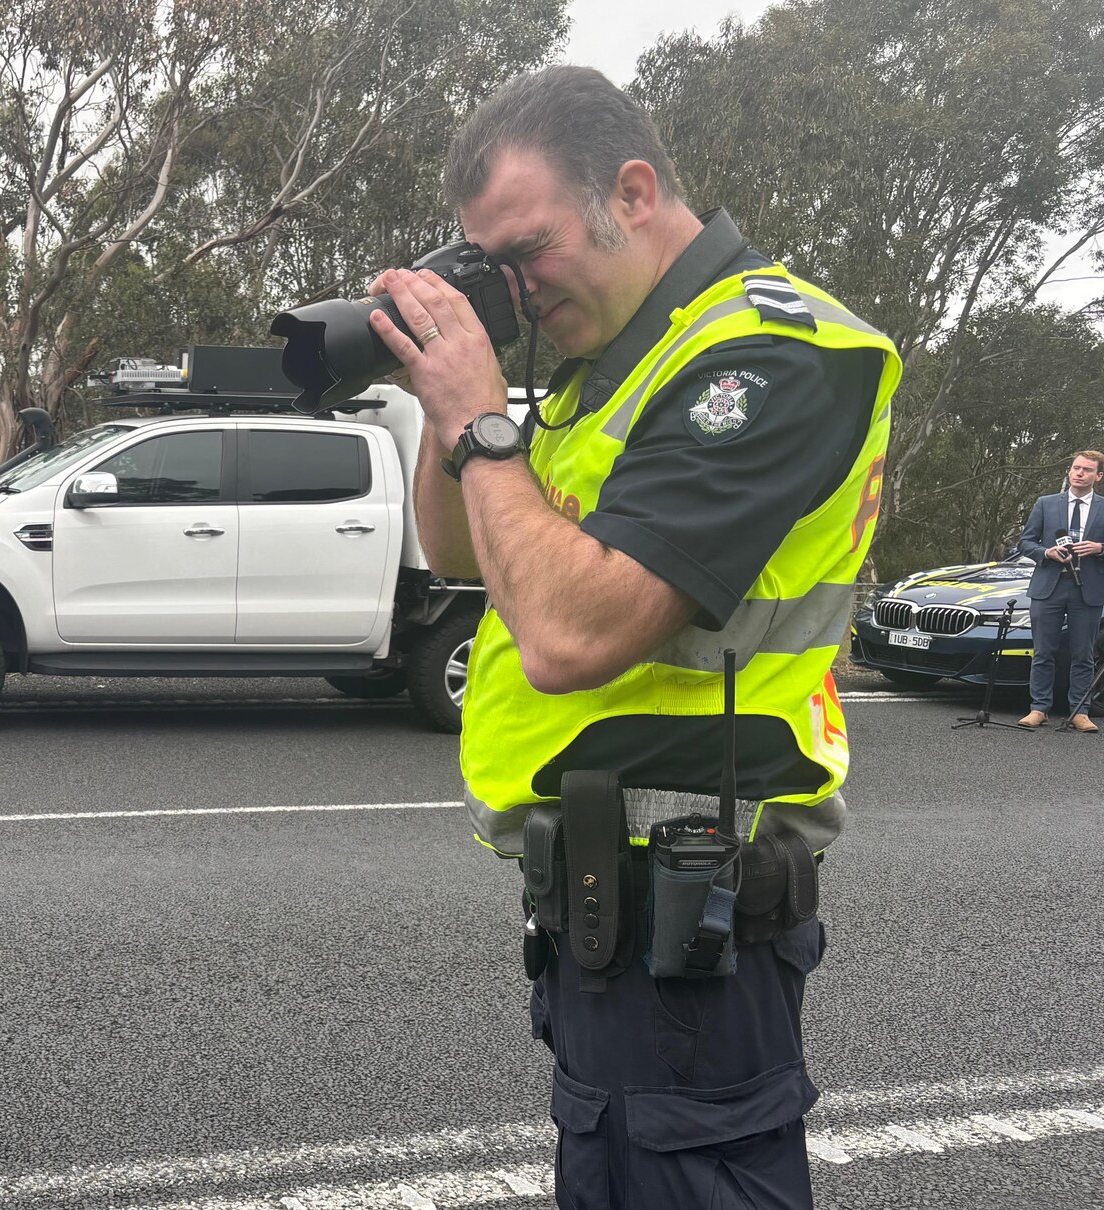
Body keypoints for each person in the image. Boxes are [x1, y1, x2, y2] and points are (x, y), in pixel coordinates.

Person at [367, 66, 900, 1208]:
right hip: (603, 907)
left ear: (633, 190)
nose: (510, 288)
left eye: (527, 249)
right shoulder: (596, 376)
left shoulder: (768, 354)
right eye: (485, 264)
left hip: (696, 906)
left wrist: (479, 418)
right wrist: (441, 404)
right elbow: (462, 556)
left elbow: (566, 632)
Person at [1015, 450, 1104, 732]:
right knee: (1043, 652)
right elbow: (1025, 543)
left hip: (1087, 589)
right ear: (1069, 471)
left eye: (1087, 470)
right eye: (1076, 468)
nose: (1079, 473)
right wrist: (1046, 552)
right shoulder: (1046, 504)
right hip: (1049, 587)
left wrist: (1101, 549)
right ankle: (1038, 708)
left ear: (1098, 476)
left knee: (1083, 654)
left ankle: (1080, 711)